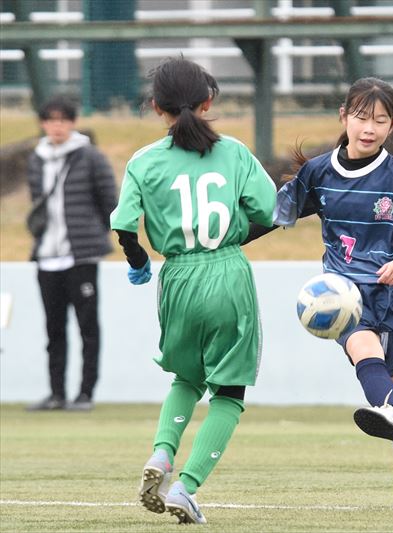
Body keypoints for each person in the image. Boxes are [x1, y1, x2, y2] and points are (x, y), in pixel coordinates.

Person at [246, 77, 393, 510]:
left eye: (380, 120)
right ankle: (392, 426)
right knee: (362, 348)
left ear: (392, 125)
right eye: (361, 117)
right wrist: (222, 244)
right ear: (344, 117)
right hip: (347, 295)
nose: (369, 128)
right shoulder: (319, 172)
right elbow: (273, 215)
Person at [110, 58, 276, 525]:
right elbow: (269, 211)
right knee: (229, 390)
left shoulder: (144, 161)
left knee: (186, 378)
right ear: (208, 101)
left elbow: (124, 226)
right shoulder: (234, 152)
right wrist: (232, 236)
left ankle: (162, 454)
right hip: (227, 272)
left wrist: (139, 264)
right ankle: (186, 486)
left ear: (155, 106)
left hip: (177, 276)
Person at [26, 94, 118, 412]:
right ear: (43, 124)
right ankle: (56, 394)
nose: (57, 126)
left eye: (63, 120)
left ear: (73, 123)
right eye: (51, 120)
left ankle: (85, 393)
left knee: (87, 327)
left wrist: (97, 237)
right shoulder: (36, 159)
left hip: (81, 256)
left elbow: (110, 202)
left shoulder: (90, 157)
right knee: (54, 329)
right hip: (47, 256)